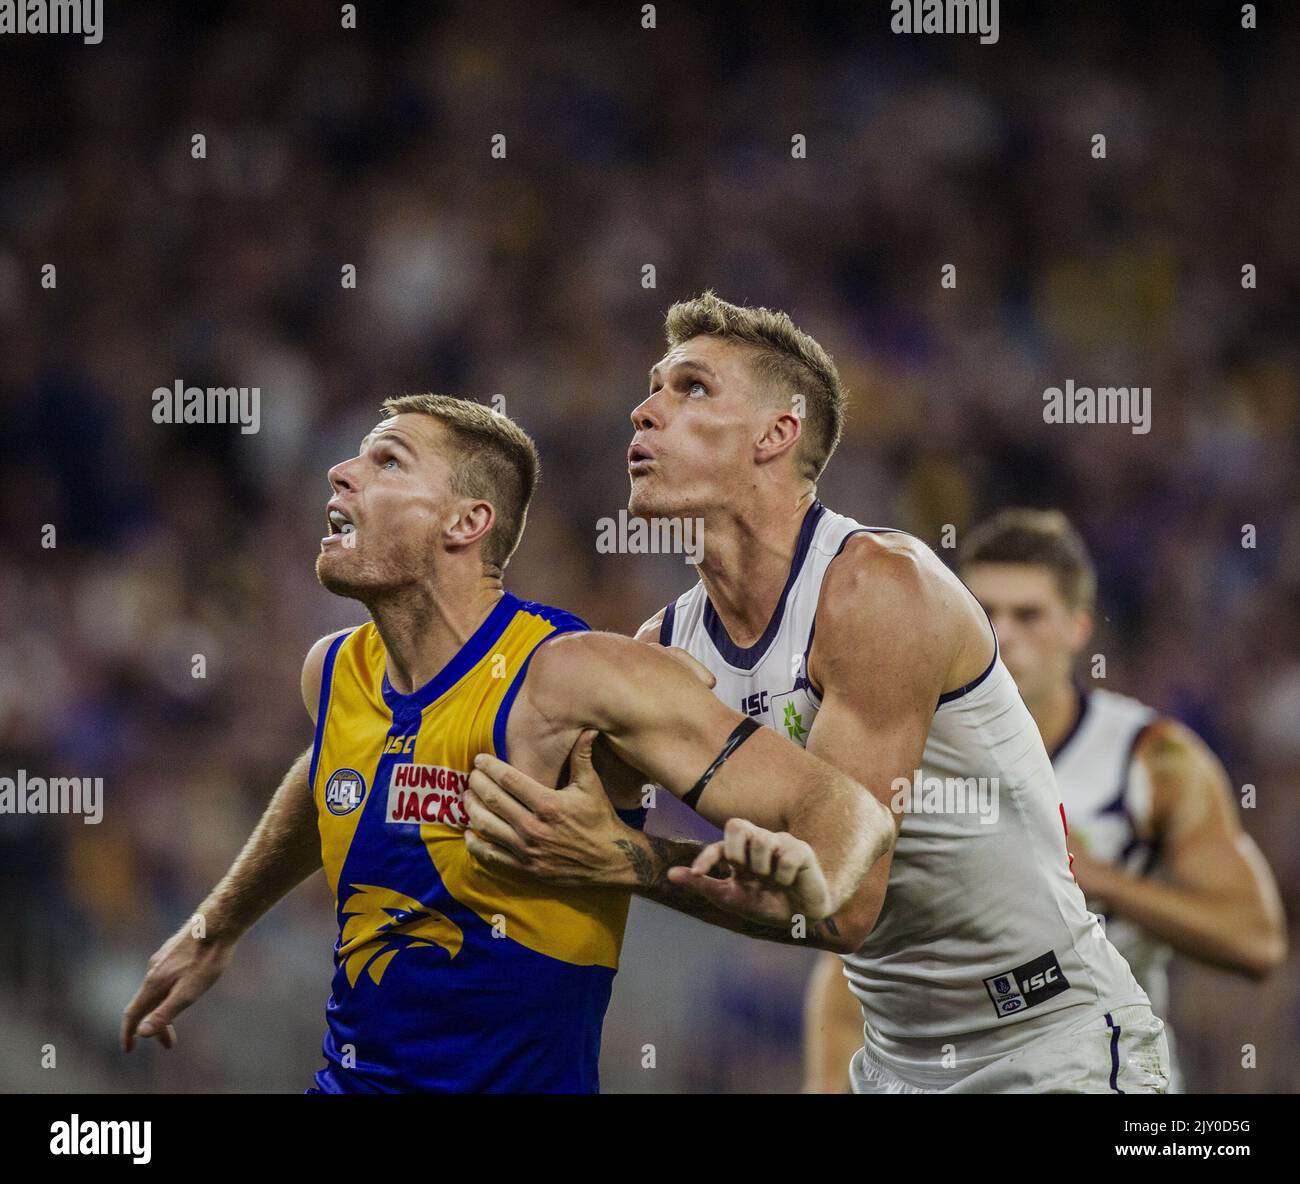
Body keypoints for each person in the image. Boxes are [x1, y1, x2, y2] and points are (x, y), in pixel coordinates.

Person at [464, 293, 1169, 1092]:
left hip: (1050, 1042)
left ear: (778, 433)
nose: (644, 410)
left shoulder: (878, 591)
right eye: (653, 387)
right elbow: (554, 838)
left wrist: (633, 863)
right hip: (898, 1063)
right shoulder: (663, 653)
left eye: (690, 388)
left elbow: (845, 906)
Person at [120, 393, 894, 1093]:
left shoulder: (571, 675)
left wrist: (676, 865)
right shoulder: (333, 673)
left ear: (466, 522)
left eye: (387, 459)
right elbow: (336, 777)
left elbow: (843, 812)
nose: (341, 471)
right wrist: (214, 927)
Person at [803, 508, 1287, 1092]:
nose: (1003, 634)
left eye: (1028, 615)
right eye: (984, 614)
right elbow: (849, 970)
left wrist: (1108, 884)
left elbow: (1255, 939)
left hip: (1098, 1070)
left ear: (1078, 628)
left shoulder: (1150, 760)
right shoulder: (904, 755)